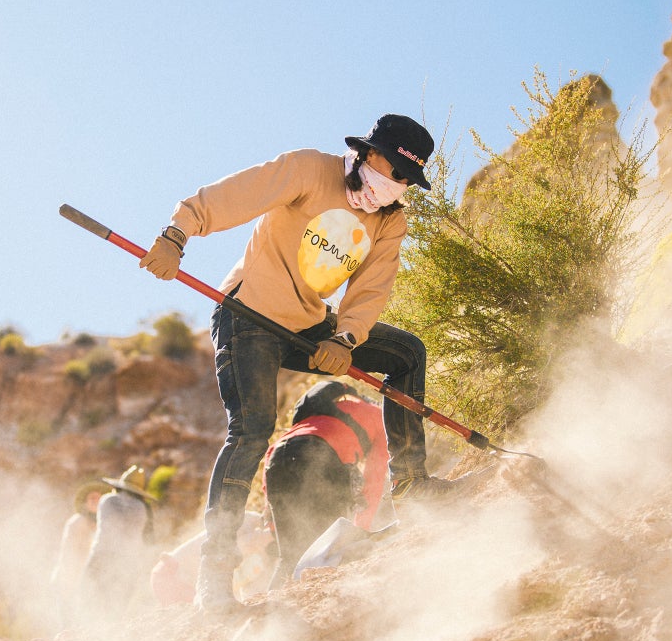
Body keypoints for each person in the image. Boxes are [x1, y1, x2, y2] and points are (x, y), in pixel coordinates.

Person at [139, 113, 450, 613]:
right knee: (251, 431)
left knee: (406, 354)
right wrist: (177, 235)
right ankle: (213, 578)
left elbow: (371, 290)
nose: (396, 187)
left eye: (407, 181)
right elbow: (236, 194)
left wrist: (346, 338)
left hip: (308, 326)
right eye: (393, 171)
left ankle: (411, 485)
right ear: (368, 155)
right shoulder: (309, 170)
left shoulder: (391, 220)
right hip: (249, 313)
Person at [263, 380, 391, 585]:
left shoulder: (315, 416)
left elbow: (270, 475)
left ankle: (271, 610)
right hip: (321, 455)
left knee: (289, 556)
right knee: (328, 542)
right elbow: (373, 479)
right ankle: (327, 597)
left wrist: (273, 526)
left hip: (277, 457)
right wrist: (360, 528)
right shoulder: (379, 416)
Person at [77, 465, 157, 622]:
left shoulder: (107, 500)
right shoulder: (143, 508)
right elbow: (149, 540)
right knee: (117, 608)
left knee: (89, 601)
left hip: (101, 556)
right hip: (129, 562)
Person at [149, 511, 275, 606]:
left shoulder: (261, 557)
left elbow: (249, 590)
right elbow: (243, 544)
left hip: (172, 573)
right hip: (171, 573)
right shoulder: (250, 524)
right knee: (199, 615)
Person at [49, 479, 107, 625]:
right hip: (69, 578)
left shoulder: (102, 524)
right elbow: (69, 554)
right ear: (85, 502)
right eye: (91, 498)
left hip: (87, 580)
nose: (95, 501)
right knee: (70, 622)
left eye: (98, 498)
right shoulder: (77, 522)